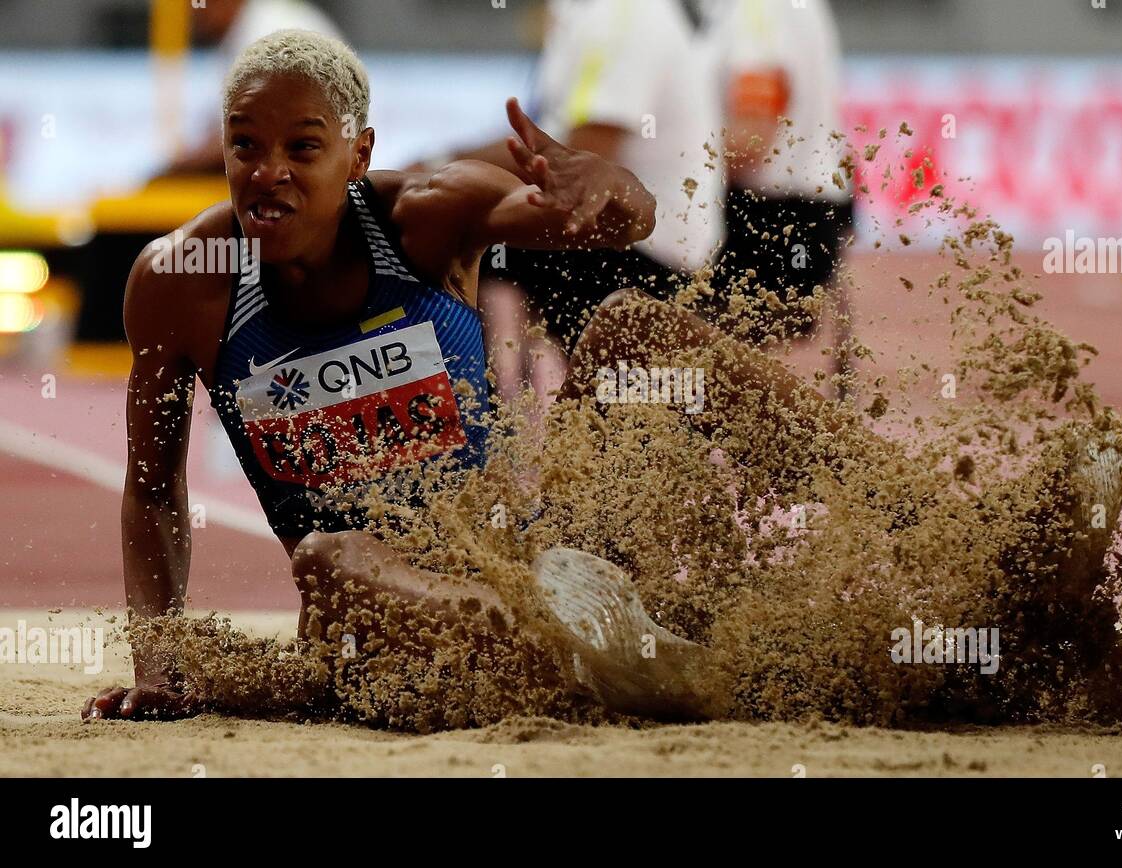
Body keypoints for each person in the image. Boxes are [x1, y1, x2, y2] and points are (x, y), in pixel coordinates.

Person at [81, 29, 861, 724]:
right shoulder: (181, 281)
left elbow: (624, 220)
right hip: (387, 640)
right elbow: (152, 488)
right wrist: (159, 668)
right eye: (244, 145)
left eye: (302, 149)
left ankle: (900, 508)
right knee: (328, 557)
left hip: (544, 572)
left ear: (358, 155)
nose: (268, 173)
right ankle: (594, 664)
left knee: (633, 326)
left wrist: (609, 186)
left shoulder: (428, 215)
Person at [418, 0, 726, 401]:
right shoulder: (594, 15)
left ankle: (488, 415)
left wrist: (437, 168)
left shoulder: (624, 16)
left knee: (453, 233)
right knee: (462, 220)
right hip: (629, 244)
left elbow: (579, 160)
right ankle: (492, 407)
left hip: (647, 259)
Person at [707, 0, 855, 392]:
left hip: (774, 221)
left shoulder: (755, 13)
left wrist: (663, 164)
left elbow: (752, 138)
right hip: (815, 211)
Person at [161, 0, 342, 176]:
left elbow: (260, 133)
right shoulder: (241, 32)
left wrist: (175, 171)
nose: (192, 11)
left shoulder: (270, 31)